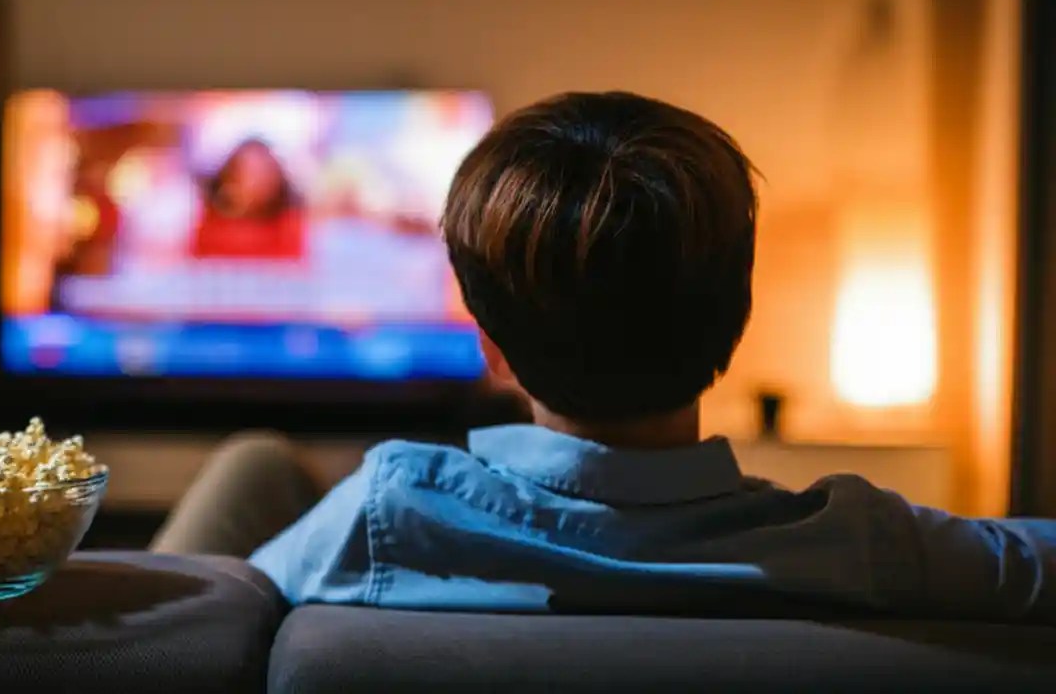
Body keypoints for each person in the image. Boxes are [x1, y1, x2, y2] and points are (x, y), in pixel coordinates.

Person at [153, 91, 1056, 621]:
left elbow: (188, 632)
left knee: (255, 465)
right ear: (736, 318)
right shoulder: (869, 543)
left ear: (492, 348)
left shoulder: (386, 514)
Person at [191, 138, 306, 259]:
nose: (258, 181)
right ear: (228, 177)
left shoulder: (289, 228)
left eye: (264, 172)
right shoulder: (206, 224)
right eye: (249, 172)